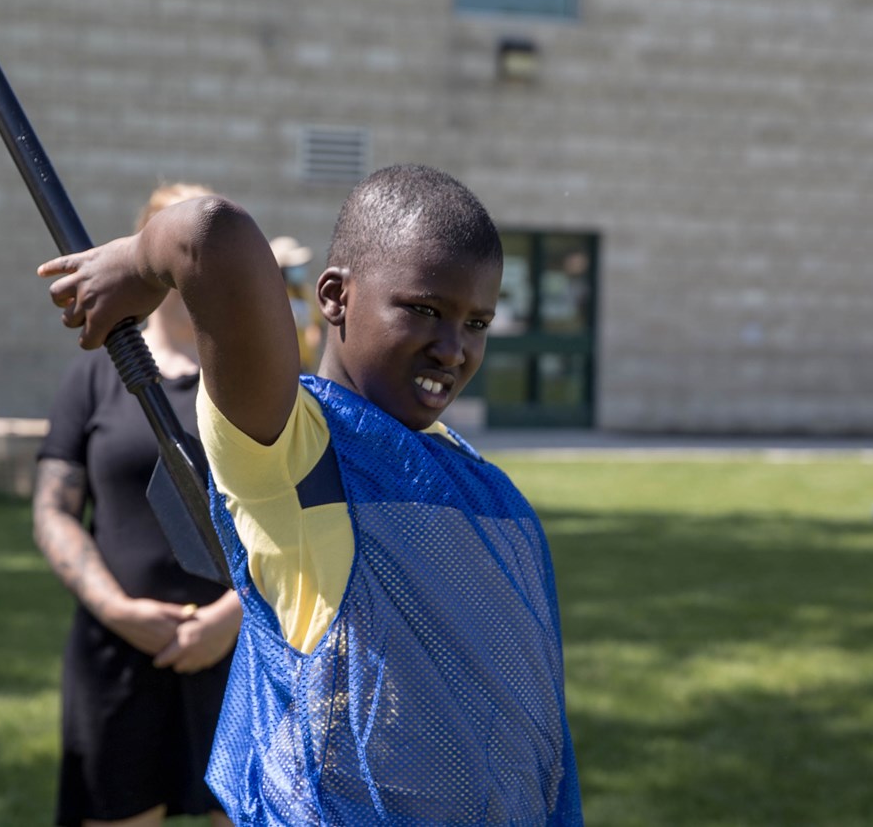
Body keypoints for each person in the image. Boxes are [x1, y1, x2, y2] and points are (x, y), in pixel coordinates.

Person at [37, 164, 584, 824]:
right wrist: (135, 262)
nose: (453, 348)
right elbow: (212, 234)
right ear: (335, 297)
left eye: (477, 323)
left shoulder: (460, 474)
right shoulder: (290, 445)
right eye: (424, 310)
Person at [33, 182, 240, 827]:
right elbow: (53, 508)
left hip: (242, 649)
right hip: (118, 653)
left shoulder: (252, 377)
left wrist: (232, 617)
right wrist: (115, 608)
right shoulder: (96, 374)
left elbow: (295, 516)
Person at [270, 235, 324, 372]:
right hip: (277, 366)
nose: (298, 270)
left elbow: (316, 322)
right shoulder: (271, 294)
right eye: (292, 267)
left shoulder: (306, 292)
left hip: (303, 366)